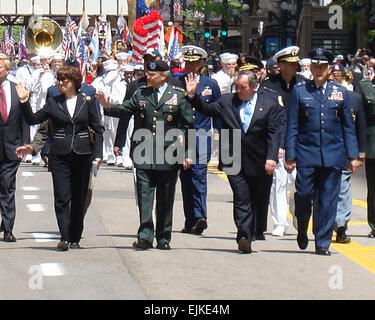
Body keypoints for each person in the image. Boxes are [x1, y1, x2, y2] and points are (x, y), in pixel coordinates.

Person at [185, 62, 284, 254]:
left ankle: (254, 229)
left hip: (259, 159)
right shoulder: (227, 101)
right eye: (237, 87)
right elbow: (207, 109)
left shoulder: (269, 105)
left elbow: (274, 133)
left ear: (254, 87)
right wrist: (192, 95)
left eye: (243, 88)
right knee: (241, 197)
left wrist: (272, 157)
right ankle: (244, 235)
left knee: (257, 198)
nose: (239, 91)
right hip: (233, 157)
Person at [97, 60, 195, 250]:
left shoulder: (177, 96)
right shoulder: (141, 94)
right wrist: (108, 106)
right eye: (147, 74)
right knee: (144, 195)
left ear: (163, 76)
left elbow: (188, 126)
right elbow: (124, 110)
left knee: (166, 197)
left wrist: (188, 154)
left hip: (168, 153)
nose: (148, 77)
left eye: (152, 75)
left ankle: (164, 237)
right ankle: (145, 236)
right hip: (144, 153)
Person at [15, 65, 103, 251]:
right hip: (60, 154)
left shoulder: (86, 101)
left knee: (79, 197)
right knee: (62, 196)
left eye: (65, 80)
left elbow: (97, 128)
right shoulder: (54, 102)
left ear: (75, 82)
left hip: (82, 153)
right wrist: (24, 101)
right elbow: (33, 119)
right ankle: (64, 236)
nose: (61, 83)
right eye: (59, 79)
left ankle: (75, 236)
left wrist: (98, 155)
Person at [284, 48, 361, 256]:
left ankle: (322, 242)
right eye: (315, 66)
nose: (318, 70)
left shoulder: (340, 92)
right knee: (305, 195)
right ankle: (302, 226)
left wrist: (353, 156)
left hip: (333, 154)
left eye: (322, 66)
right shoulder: (300, 91)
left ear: (329, 69)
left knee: (328, 199)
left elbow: (348, 128)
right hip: (306, 153)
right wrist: (290, 156)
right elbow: (292, 126)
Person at [260, 46, 303, 237]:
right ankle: (280, 222)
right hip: (277, 141)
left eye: (296, 64)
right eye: (291, 64)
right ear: (281, 65)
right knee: (278, 183)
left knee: (299, 185)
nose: (295, 68)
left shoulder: (302, 84)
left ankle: (297, 212)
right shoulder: (268, 86)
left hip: (300, 142)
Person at [179, 45, 221, 235]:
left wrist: (224, 140)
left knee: (199, 177)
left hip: (202, 136)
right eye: (188, 62)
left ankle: (200, 216)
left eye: (195, 63)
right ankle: (190, 220)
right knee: (185, 179)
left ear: (201, 64)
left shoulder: (210, 85)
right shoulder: (177, 82)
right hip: (179, 138)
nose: (191, 66)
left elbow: (218, 112)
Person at [0, 54, 28, 242]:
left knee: (7, 188)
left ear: (7, 70)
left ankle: (8, 228)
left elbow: (25, 119)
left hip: (11, 148)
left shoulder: (16, 90)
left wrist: (25, 143)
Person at [356, 76, 375, 238]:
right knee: (374, 188)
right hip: (373, 145)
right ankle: (374, 224)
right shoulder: (365, 87)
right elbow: (358, 117)